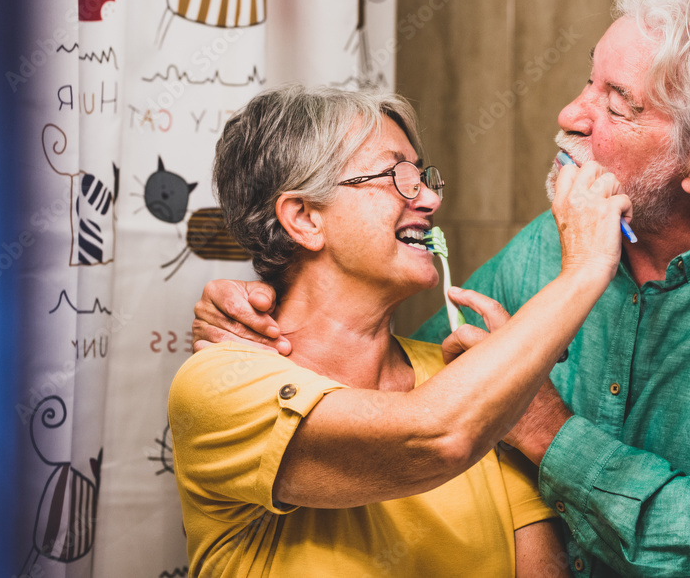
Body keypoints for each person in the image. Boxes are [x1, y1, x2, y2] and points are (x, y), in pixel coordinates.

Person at [192, 0, 690, 576]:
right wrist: (248, 321)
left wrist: (545, 427)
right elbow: (393, 370)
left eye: (617, 104)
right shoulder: (543, 254)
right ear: (301, 217)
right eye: (588, 81)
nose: (571, 115)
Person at [170, 84, 633, 577]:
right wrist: (585, 267)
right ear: (304, 218)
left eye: (423, 177)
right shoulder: (217, 386)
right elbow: (433, 438)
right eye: (397, 177)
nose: (430, 198)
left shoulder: (468, 380)